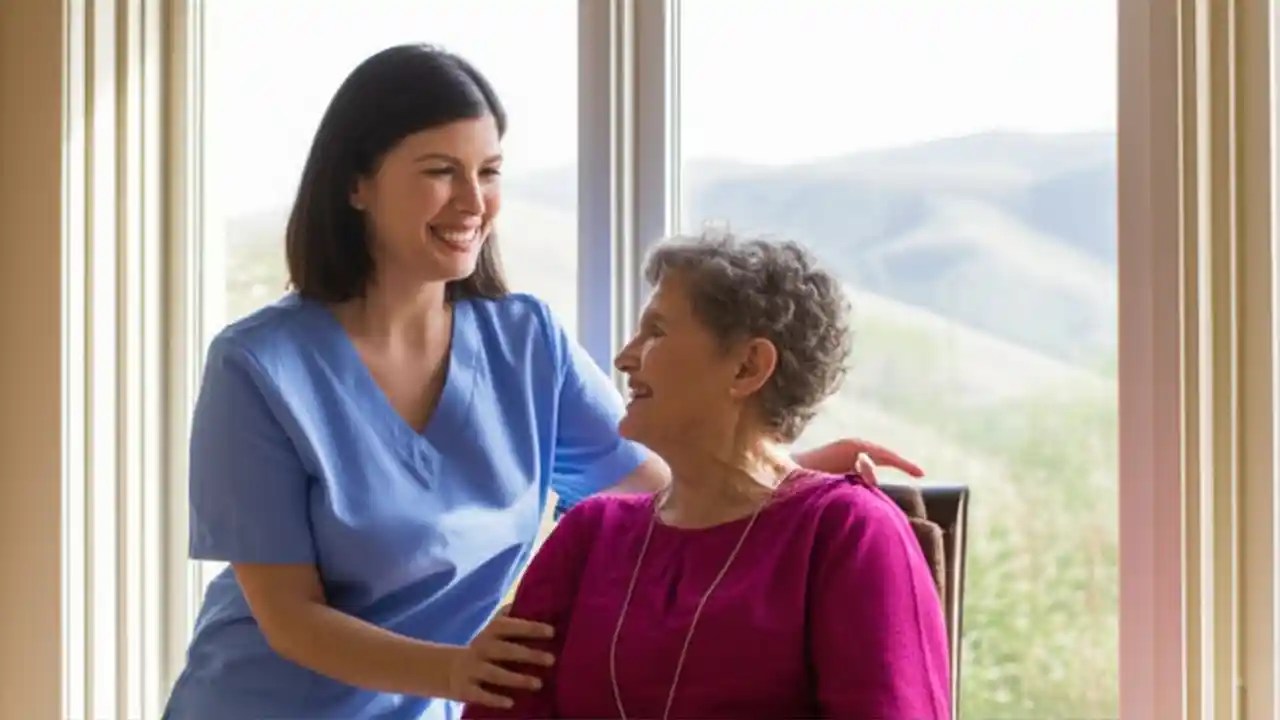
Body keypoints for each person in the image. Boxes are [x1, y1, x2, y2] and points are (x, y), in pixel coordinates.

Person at [161, 44, 924, 720]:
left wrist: (781, 474)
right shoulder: (258, 367)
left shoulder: (525, 342)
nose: (472, 202)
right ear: (356, 184)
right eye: (439, 171)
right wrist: (456, 671)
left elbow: (662, 492)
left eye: (488, 172)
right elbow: (289, 620)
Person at [465, 233, 951, 720]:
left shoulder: (849, 532)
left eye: (656, 332)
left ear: (747, 366)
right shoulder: (590, 535)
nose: (624, 358)